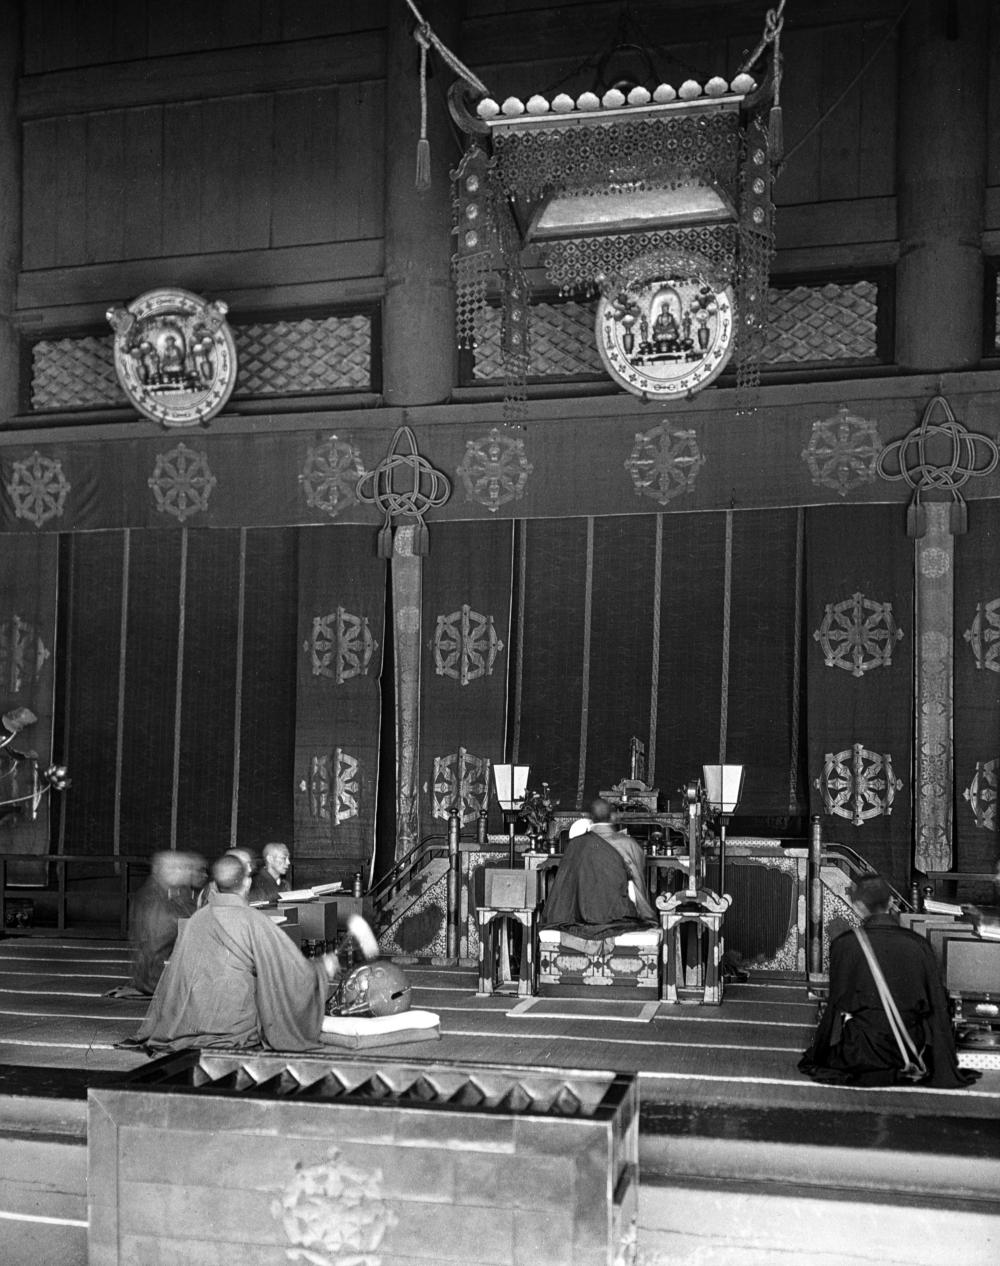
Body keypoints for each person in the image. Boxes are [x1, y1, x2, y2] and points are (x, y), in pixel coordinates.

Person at [134, 854, 339, 1052]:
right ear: (247, 884)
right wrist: (322, 968)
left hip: (189, 1022)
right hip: (234, 1024)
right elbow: (292, 971)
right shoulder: (254, 920)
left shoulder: (195, 919)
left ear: (215, 885)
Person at [799, 874, 978, 1088]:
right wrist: (944, 1063)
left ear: (858, 907)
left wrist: (819, 1053)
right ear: (891, 902)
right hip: (910, 1050)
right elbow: (937, 1007)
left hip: (860, 1050)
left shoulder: (844, 945)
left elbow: (837, 1006)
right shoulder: (918, 944)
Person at [541, 797, 657, 941]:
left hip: (579, 919)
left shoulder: (576, 844)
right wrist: (648, 916)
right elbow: (638, 883)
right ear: (613, 817)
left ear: (590, 818)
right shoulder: (628, 844)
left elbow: (564, 886)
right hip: (618, 919)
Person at [108, 851, 202, 998]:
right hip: (155, 976)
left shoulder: (173, 892)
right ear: (161, 870)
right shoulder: (155, 899)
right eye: (177, 868)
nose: (184, 872)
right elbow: (157, 944)